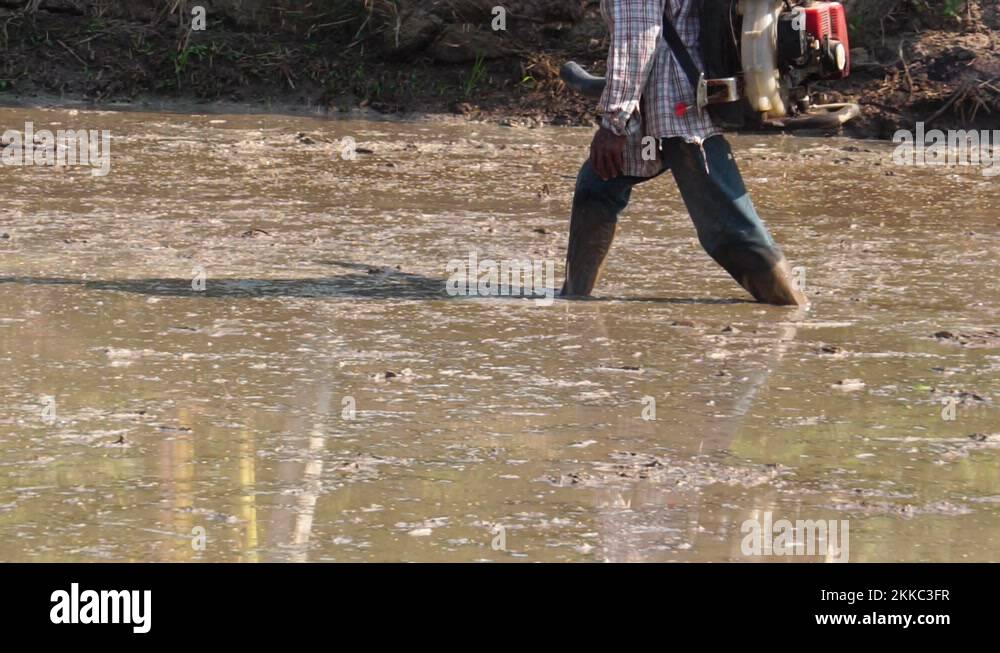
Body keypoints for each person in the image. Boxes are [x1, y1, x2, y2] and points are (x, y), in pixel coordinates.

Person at [561, 0, 807, 306]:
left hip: (679, 104)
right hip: (666, 97)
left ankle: (793, 308)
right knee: (597, 184)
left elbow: (636, 41)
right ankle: (574, 300)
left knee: (729, 229)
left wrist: (613, 124)